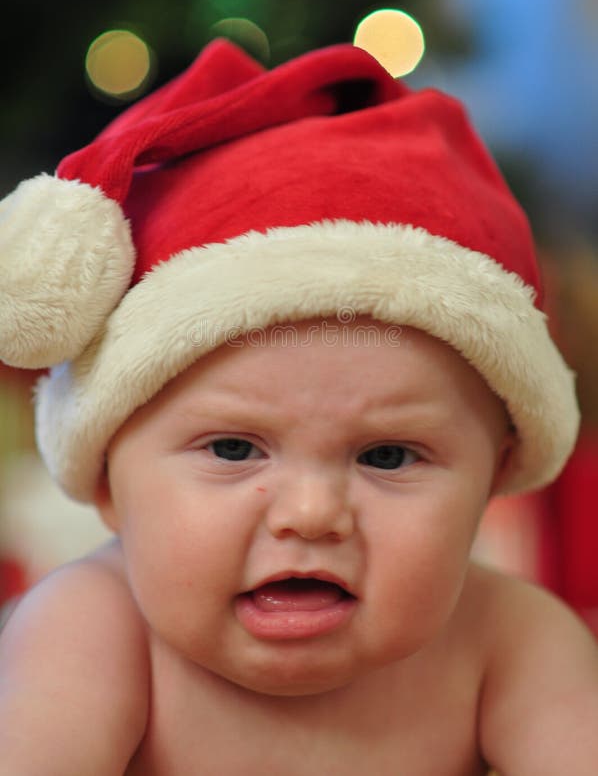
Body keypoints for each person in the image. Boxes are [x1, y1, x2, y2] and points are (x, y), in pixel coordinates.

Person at [0, 39, 596, 776]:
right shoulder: (88, 633)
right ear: (105, 479)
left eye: (387, 456)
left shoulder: (511, 643)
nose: (311, 514)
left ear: (493, 479)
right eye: (233, 449)